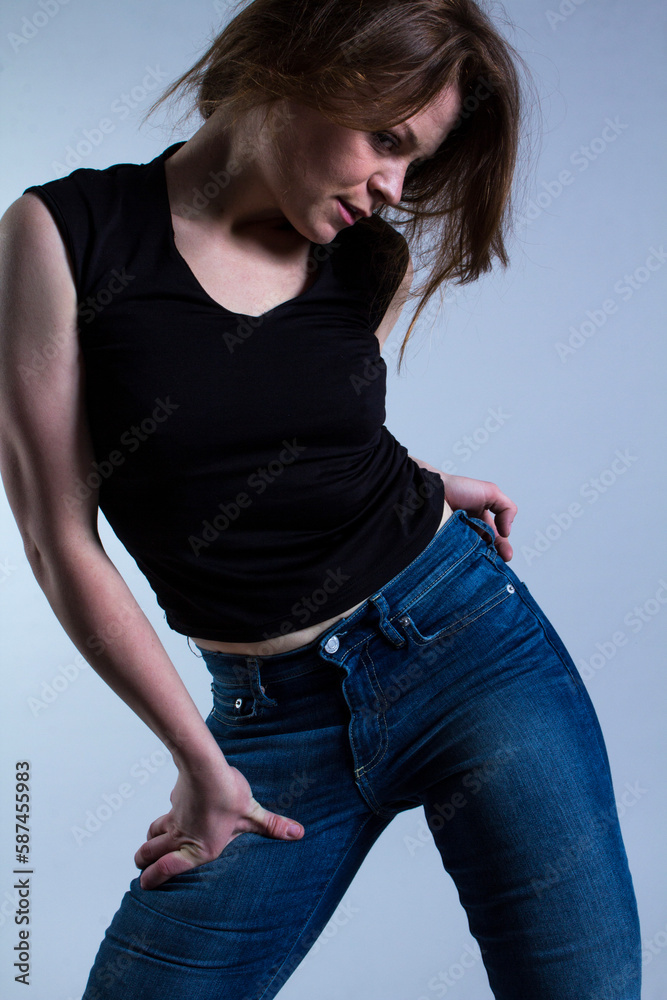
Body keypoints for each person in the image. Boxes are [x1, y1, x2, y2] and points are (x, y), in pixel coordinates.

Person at [0, 1, 641, 997]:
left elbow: (301, 434)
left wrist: (421, 484)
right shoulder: (62, 236)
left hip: (468, 645)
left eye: (414, 163)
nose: (392, 186)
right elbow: (57, 541)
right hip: (269, 722)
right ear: (298, 61)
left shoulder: (359, 255)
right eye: (385, 141)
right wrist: (200, 760)